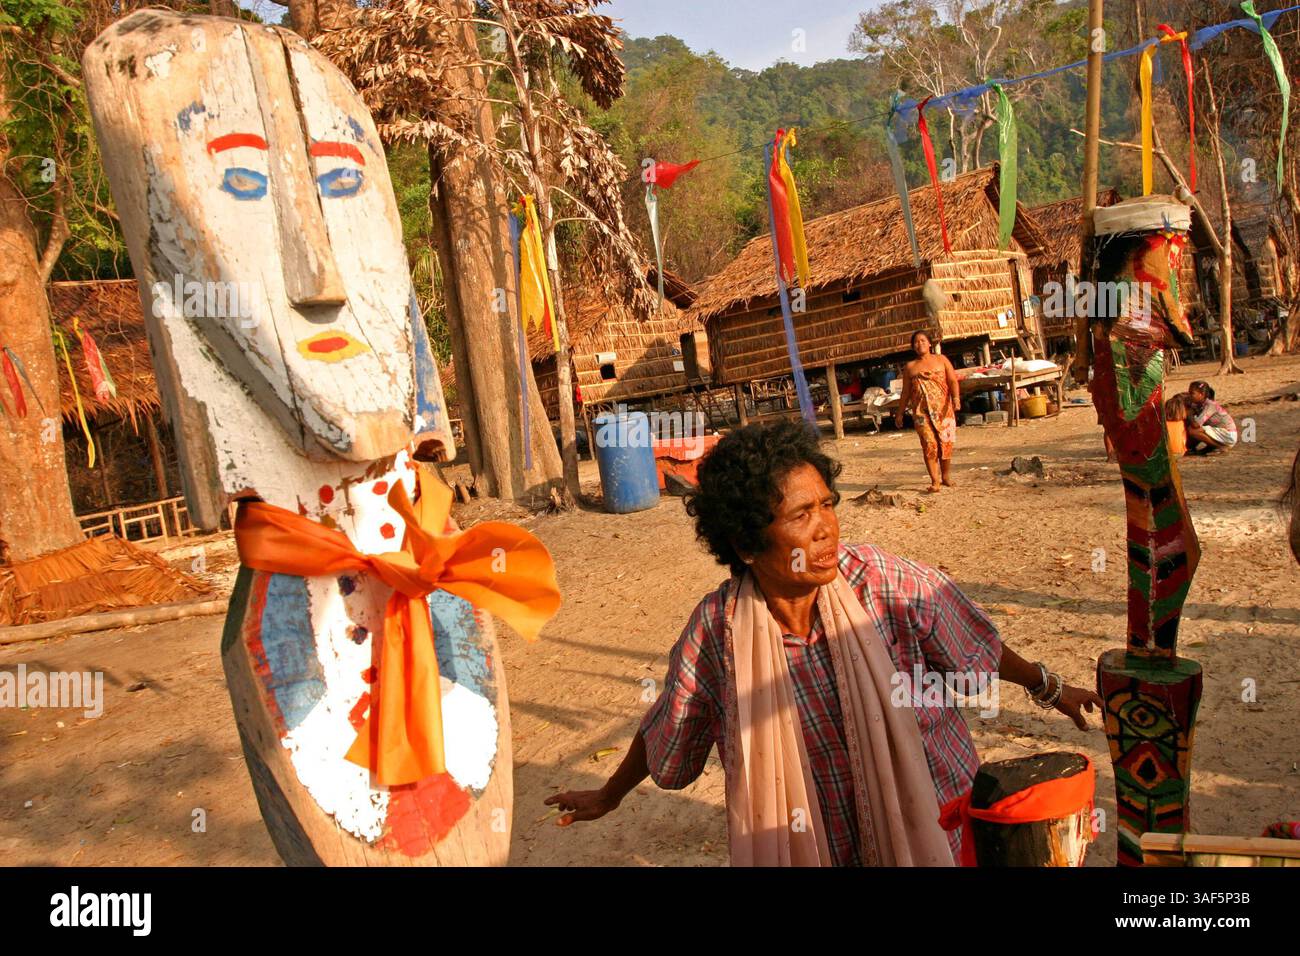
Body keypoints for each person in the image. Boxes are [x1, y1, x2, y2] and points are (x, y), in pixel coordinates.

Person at [546, 421, 1101, 866]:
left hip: (935, 822)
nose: (826, 528)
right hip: (820, 842)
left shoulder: (880, 582)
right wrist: (611, 793)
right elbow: (670, 724)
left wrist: (1051, 688)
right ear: (744, 543)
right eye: (801, 514)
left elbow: (972, 645)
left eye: (828, 505)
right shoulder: (719, 631)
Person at [895, 330, 960, 492]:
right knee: (929, 444)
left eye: (923, 340)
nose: (920, 344)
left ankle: (945, 477)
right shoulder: (910, 367)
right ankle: (935, 481)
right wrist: (900, 413)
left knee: (946, 444)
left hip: (944, 410)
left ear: (930, 343)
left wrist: (956, 399)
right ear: (913, 347)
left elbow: (952, 380)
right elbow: (905, 393)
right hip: (920, 413)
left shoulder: (941, 360)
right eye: (916, 342)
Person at [1184, 380, 1237, 454]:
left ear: (1201, 394)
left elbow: (1196, 425)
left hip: (1228, 435)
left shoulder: (1210, 405)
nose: (1189, 396)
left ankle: (1219, 447)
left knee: (1193, 430)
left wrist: (1189, 414)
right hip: (1221, 433)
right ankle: (1209, 447)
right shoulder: (1199, 404)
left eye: (1192, 393)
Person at [1164, 393, 1189, 458]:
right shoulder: (1181, 423)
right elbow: (1184, 439)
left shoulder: (1163, 424)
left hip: (1165, 453)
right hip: (1179, 453)